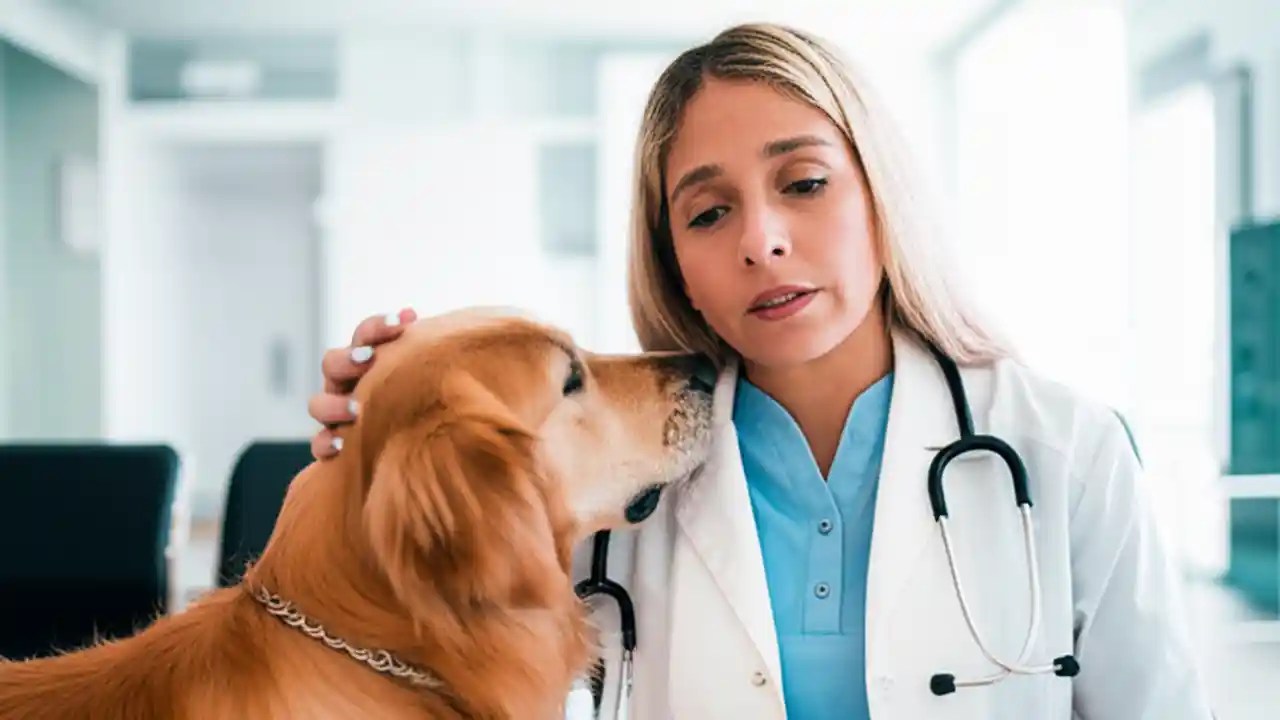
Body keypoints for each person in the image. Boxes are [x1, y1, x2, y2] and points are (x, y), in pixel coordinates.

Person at [306, 22, 1214, 720]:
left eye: (805, 183)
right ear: (675, 264)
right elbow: (395, 660)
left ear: (878, 198)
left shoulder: (1066, 451)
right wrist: (374, 448)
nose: (762, 240)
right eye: (708, 213)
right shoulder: (595, 480)